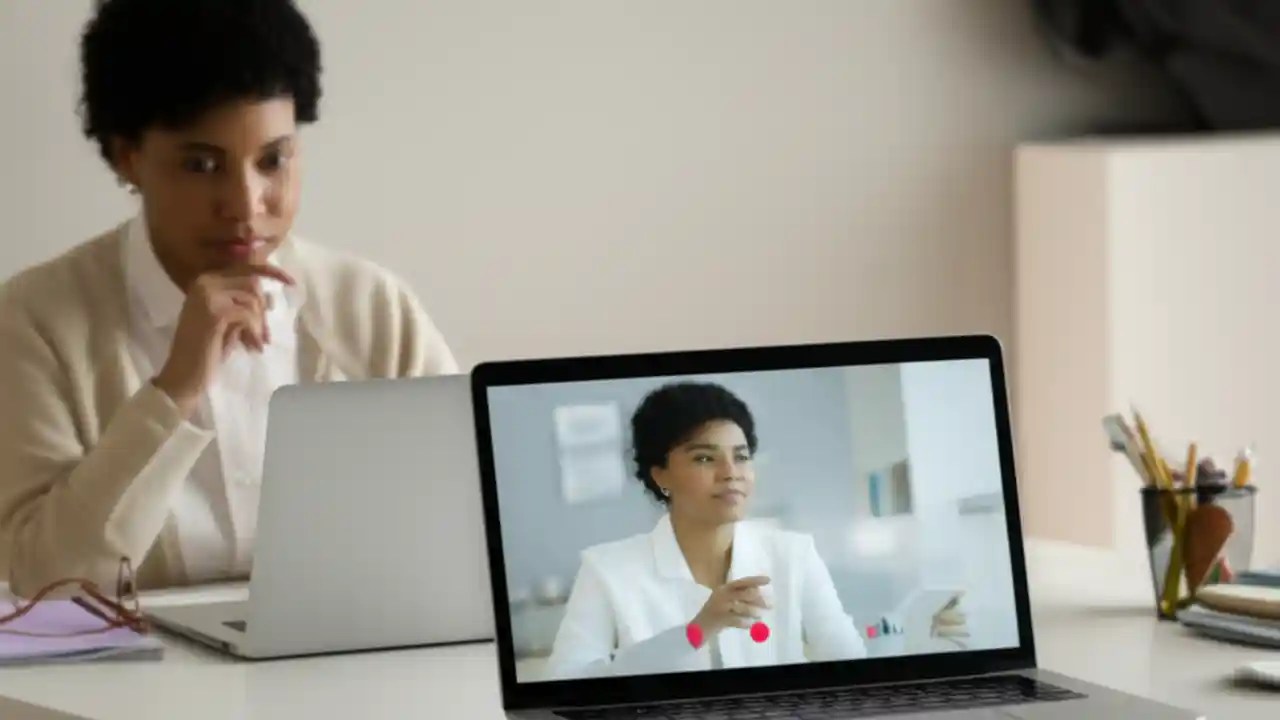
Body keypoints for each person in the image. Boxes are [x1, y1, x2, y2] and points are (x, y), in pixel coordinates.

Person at [0, 0, 457, 597]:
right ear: (126, 155)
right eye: (201, 165)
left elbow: (467, 524)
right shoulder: (34, 323)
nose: (246, 204)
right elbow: (46, 584)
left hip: (343, 674)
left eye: (274, 160)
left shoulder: (372, 307)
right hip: (119, 688)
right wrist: (174, 390)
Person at [544, 382, 870, 679]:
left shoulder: (794, 554)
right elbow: (564, 686)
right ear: (661, 476)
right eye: (704, 458)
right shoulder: (606, 569)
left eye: (741, 457)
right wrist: (695, 633)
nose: (731, 473)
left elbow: (852, 666)